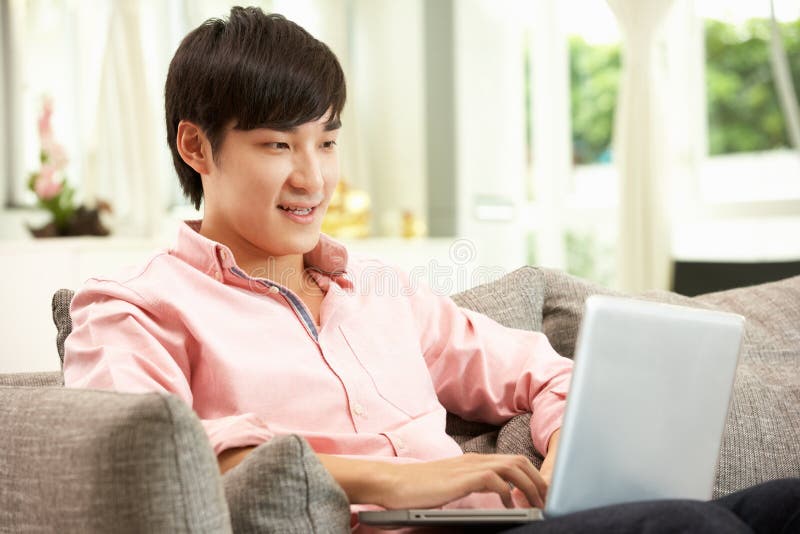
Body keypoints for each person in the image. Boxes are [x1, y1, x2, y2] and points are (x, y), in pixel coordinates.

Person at [64, 6, 799, 533]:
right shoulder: (132, 307)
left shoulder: (381, 292)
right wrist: (401, 481)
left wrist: (563, 458)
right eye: (278, 146)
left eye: (327, 142)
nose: (313, 179)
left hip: (503, 524)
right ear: (196, 147)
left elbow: (547, 374)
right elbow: (156, 455)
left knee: (785, 501)